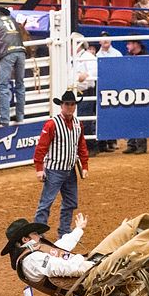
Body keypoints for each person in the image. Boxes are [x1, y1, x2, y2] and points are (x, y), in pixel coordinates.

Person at [0, 214, 149, 296]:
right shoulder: (31, 261)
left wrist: (79, 230)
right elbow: (62, 268)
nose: (39, 235)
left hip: (88, 266)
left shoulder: (34, 253)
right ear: (26, 239)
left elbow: (60, 250)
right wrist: (104, 262)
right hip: (88, 278)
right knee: (133, 246)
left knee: (133, 224)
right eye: (35, 233)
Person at [33, 89, 89, 237]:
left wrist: (84, 165)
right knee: (46, 203)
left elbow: (81, 145)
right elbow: (41, 147)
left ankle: (64, 232)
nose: (70, 107)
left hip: (69, 169)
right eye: (67, 104)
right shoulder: (52, 124)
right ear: (62, 105)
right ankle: (39, 234)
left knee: (70, 202)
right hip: (54, 170)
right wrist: (39, 168)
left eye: (72, 104)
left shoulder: (78, 124)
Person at [0, 6, 26, 126]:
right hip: (21, 52)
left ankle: (5, 119)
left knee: (3, 86)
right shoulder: (14, 22)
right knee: (20, 85)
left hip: (7, 54)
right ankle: (20, 116)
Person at [70, 33, 99, 154]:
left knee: (84, 120)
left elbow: (93, 73)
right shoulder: (70, 58)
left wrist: (85, 76)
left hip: (85, 91)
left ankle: (90, 146)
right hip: (72, 91)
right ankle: (81, 146)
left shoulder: (88, 57)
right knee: (76, 120)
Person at [95, 32, 122, 152]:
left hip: (114, 86)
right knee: (103, 114)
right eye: (102, 39)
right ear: (99, 41)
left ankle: (113, 141)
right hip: (102, 86)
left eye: (107, 38)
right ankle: (105, 142)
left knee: (114, 114)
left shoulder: (117, 54)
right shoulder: (96, 55)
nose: (105, 40)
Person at [122, 39, 149, 155]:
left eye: (129, 43)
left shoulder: (146, 57)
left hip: (143, 90)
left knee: (140, 117)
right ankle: (131, 144)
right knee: (130, 117)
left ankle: (141, 145)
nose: (127, 46)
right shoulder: (127, 56)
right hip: (129, 89)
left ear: (136, 44)